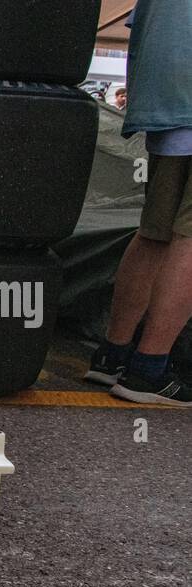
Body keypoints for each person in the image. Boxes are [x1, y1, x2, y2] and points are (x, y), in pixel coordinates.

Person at [87, 2, 192, 405]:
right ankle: (149, 370)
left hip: (164, 103)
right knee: (188, 238)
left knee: (155, 232)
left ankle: (113, 355)